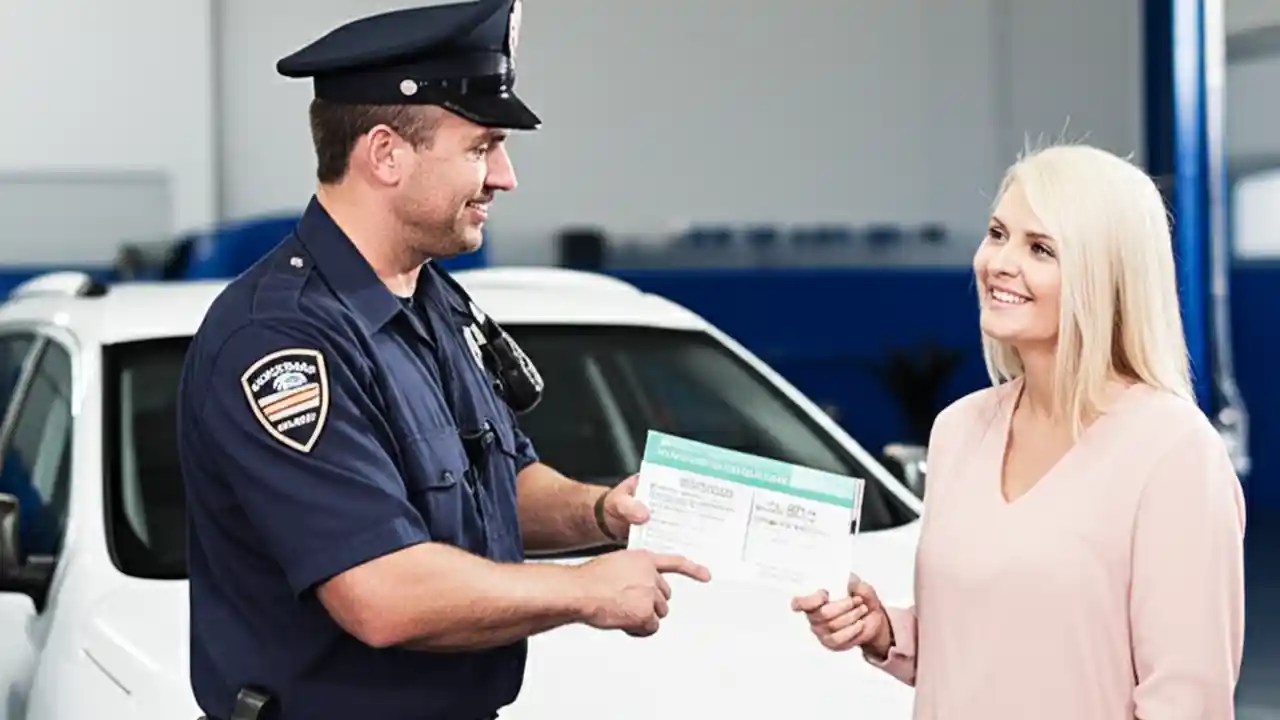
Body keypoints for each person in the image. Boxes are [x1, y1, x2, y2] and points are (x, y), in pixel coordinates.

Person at [176, 2, 710, 719]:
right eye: (481, 147)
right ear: (386, 154)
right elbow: (382, 595)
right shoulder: (282, 341)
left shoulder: (433, 300)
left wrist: (602, 513)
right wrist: (588, 589)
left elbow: (496, 485)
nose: (505, 177)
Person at [792, 143, 1247, 719]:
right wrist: (887, 631)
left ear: (1105, 277)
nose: (998, 262)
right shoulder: (960, 429)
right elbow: (993, 644)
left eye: (1040, 248)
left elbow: (1187, 701)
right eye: (998, 233)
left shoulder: (1174, 451)